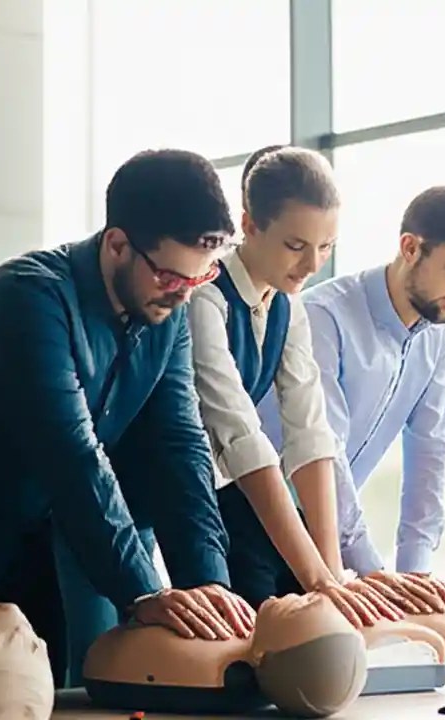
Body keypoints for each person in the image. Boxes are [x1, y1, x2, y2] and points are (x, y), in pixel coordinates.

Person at [0, 148, 255, 689]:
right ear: (117, 244)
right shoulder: (27, 297)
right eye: (168, 276)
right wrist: (146, 594)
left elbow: (181, 450)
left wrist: (210, 587)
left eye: (198, 279)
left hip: (44, 551)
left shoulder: (165, 313)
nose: (182, 295)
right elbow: (74, 458)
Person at [184, 145, 399, 628]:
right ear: (251, 225)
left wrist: (331, 574)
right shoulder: (204, 299)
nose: (312, 264)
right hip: (175, 491)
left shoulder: (287, 304)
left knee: (314, 614)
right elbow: (242, 440)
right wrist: (316, 578)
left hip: (230, 496)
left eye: (325, 247)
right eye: (296, 246)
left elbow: (310, 433)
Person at [259, 185, 445, 616]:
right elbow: (323, 451)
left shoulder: (438, 333)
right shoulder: (322, 317)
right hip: (262, 526)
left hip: (330, 539)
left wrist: (414, 578)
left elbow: (429, 450)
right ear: (410, 247)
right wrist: (371, 571)